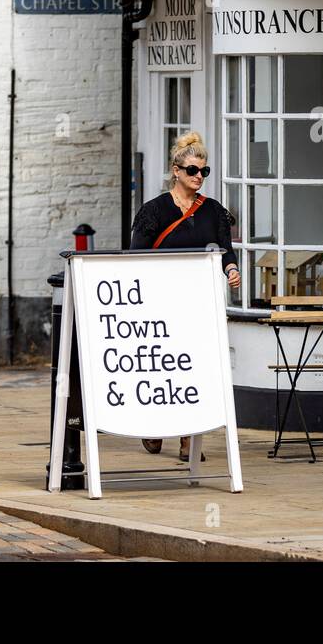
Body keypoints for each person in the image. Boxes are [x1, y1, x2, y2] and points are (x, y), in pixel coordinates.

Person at [130, 130, 240, 461]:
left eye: (203, 171)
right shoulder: (155, 211)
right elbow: (137, 258)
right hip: (159, 304)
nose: (198, 177)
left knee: (195, 369)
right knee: (159, 368)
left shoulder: (213, 211)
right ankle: (152, 425)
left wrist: (231, 269)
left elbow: (225, 250)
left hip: (198, 303)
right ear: (175, 171)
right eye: (192, 170)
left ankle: (188, 438)